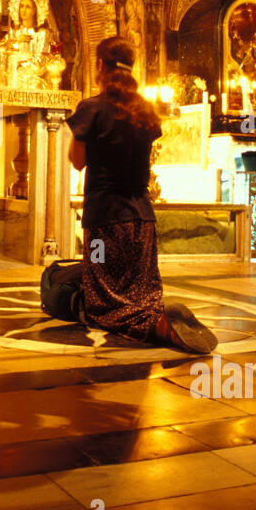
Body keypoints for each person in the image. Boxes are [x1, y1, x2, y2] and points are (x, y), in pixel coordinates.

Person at [66, 36, 217, 353]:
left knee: (102, 302)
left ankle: (156, 326)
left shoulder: (91, 109)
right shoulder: (146, 112)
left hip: (103, 222)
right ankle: (156, 314)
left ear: (99, 65)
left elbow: (76, 161)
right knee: (140, 291)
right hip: (142, 221)